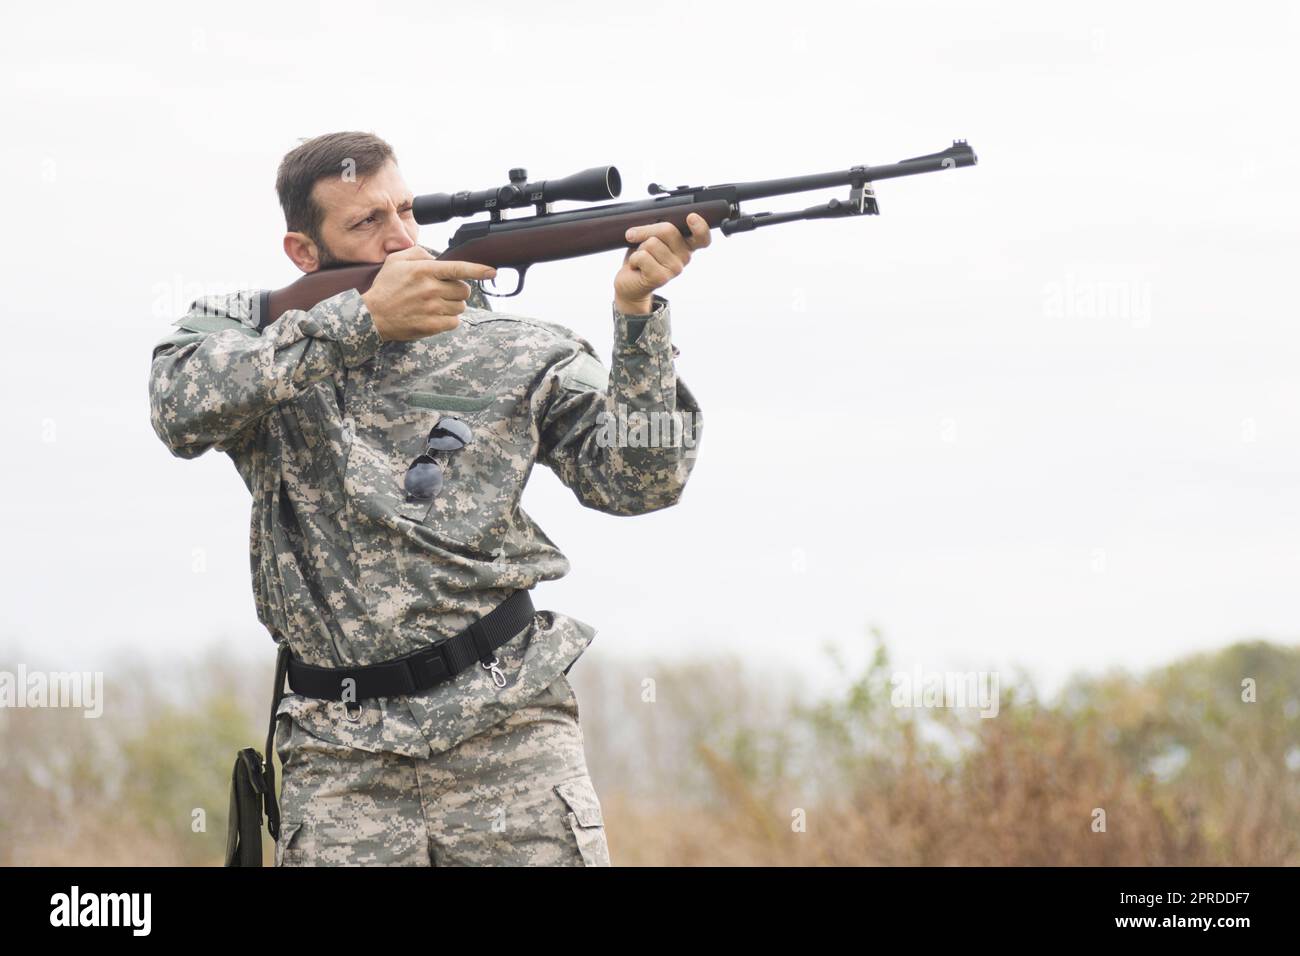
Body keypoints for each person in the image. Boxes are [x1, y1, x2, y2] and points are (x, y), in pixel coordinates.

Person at [147, 131, 707, 865]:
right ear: (303, 252)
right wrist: (361, 323)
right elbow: (177, 405)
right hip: (339, 755)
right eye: (365, 223)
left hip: (509, 733)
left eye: (406, 211)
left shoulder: (519, 342)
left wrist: (637, 316)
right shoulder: (268, 335)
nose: (401, 238)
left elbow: (641, 482)